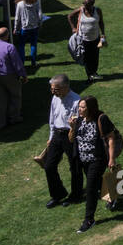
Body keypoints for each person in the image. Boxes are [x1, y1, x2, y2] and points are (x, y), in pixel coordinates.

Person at [68, 95, 118, 234]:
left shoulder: (101, 119)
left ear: (90, 108)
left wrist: (112, 159)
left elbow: (111, 138)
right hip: (83, 160)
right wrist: (72, 127)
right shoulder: (78, 120)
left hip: (97, 159)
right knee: (96, 183)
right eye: (79, 107)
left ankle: (89, 219)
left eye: (83, 107)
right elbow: (72, 140)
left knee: (90, 189)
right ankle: (113, 196)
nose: (80, 109)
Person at [43, 74, 83, 208]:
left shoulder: (76, 101)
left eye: (56, 89)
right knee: (49, 165)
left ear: (65, 87)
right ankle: (57, 194)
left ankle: (76, 195)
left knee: (75, 166)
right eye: (52, 89)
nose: (53, 92)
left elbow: (79, 124)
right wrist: (50, 137)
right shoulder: (55, 98)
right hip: (57, 135)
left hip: (70, 135)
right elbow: (52, 119)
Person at [0, 27, 27, 129]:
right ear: (7, 35)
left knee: (0, 100)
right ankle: (14, 117)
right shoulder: (10, 47)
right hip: (9, 76)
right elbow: (16, 63)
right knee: (15, 96)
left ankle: (0, 123)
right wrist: (23, 75)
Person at [68, 0, 106, 82]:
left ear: (92, 5)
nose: (84, 5)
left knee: (95, 57)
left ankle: (94, 72)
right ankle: (89, 76)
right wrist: (73, 27)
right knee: (87, 58)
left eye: (86, 4)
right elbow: (70, 16)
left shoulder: (98, 10)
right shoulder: (81, 10)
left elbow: (101, 22)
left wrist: (103, 34)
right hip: (84, 40)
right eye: (84, 3)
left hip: (95, 39)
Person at [14, 0, 42, 67]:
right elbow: (40, 15)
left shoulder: (20, 4)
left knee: (21, 46)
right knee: (33, 45)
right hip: (34, 28)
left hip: (24, 28)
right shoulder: (36, 3)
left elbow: (17, 18)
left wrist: (15, 28)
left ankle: (22, 63)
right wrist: (40, 24)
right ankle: (33, 62)